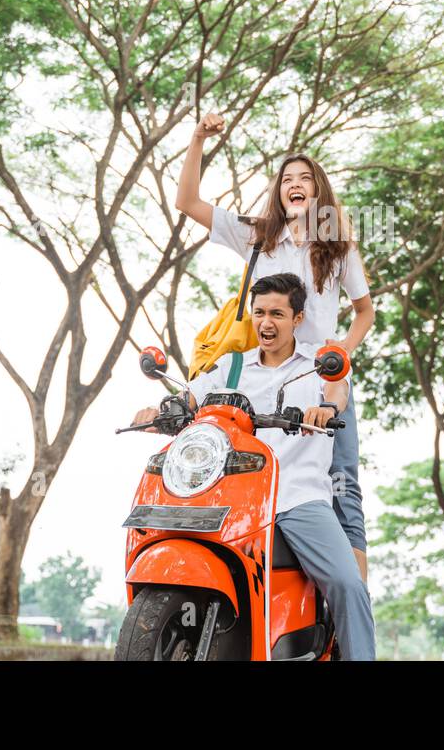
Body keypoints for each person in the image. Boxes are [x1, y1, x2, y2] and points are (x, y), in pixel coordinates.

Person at [130, 273, 376, 661]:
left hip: (296, 497)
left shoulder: (316, 364)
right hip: (232, 500)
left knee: (347, 583)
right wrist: (161, 411)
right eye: (259, 312)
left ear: (297, 318)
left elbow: (338, 389)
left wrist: (327, 409)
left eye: (277, 313)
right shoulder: (232, 367)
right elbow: (190, 395)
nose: (266, 322)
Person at [176, 112, 375, 580]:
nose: (296, 184)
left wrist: (340, 354)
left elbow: (365, 311)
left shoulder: (338, 246)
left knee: (342, 487)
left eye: (306, 178)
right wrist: (199, 137)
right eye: (288, 179)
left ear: (319, 190)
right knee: (235, 475)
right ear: (279, 191)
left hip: (320, 384)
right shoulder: (256, 235)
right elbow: (187, 201)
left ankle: (351, 601)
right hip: (260, 378)